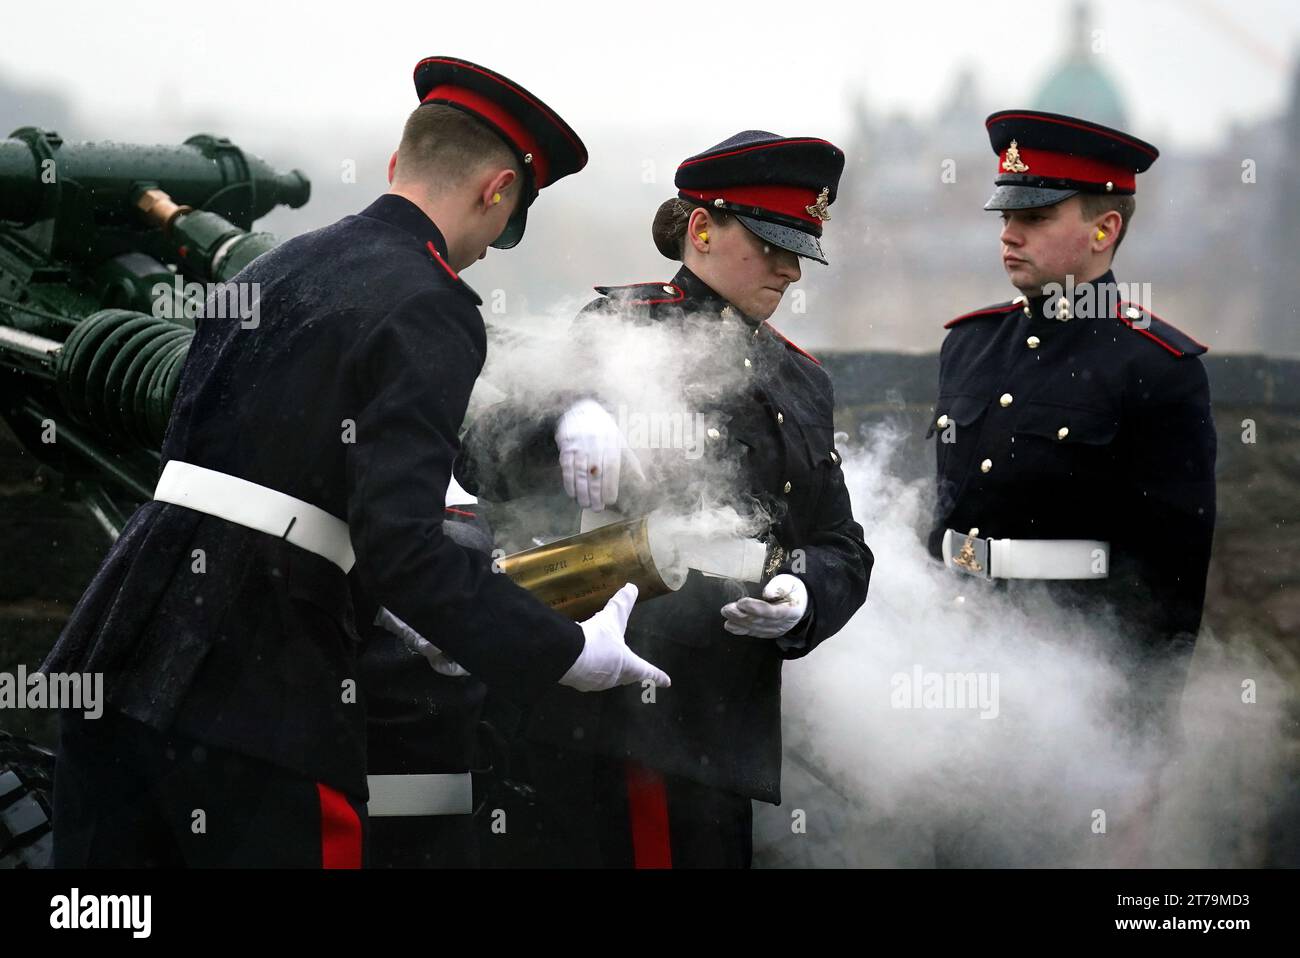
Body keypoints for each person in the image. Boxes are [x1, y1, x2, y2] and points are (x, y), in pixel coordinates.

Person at [39, 55, 668, 869]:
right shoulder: (433, 305)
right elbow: (401, 544)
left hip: (117, 648)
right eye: (506, 224)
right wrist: (565, 652)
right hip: (263, 688)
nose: (489, 250)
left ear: (395, 165)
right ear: (496, 192)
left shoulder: (277, 264)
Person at [460, 131, 874, 868]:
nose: (788, 269)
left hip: (725, 723)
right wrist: (569, 416)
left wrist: (805, 595)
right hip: (615, 706)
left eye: (800, 249)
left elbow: (844, 546)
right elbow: (490, 451)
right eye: (771, 242)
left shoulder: (804, 381)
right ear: (702, 228)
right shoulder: (619, 327)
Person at [928, 109, 1216, 861]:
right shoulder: (966, 345)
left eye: (1034, 214)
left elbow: (1170, 586)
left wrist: (1139, 755)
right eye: (1005, 213)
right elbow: (942, 526)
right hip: (952, 672)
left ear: (1103, 230)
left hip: (1077, 682)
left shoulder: (1156, 367)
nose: (1008, 232)